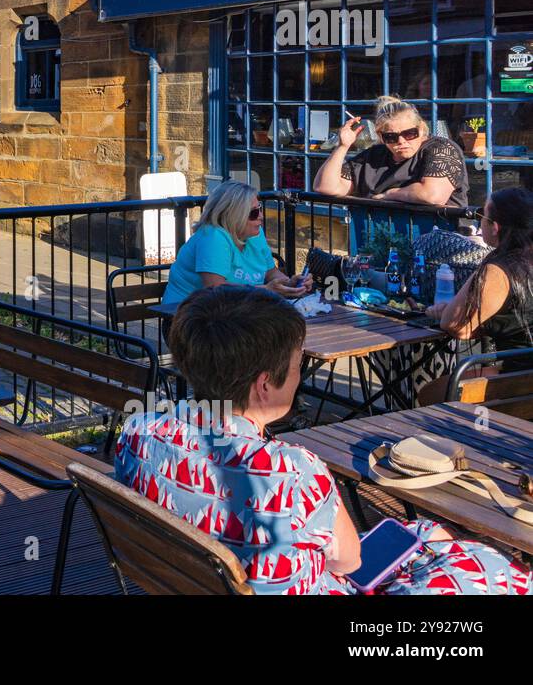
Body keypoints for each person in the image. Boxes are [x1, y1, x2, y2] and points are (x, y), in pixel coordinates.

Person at [115, 286, 530, 595]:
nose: (297, 376)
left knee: (429, 535)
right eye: (297, 365)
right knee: (487, 565)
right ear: (264, 385)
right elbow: (350, 560)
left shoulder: (139, 434)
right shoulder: (294, 472)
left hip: (192, 579)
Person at [429, 187, 533, 373]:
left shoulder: (499, 269)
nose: (479, 223)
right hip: (522, 378)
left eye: (482, 216)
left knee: (429, 393)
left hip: (517, 378)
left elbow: (454, 325)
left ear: (495, 227)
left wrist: (486, 264)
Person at [161, 180, 311, 306]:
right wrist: (267, 289)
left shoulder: (254, 234)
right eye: (253, 213)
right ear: (233, 215)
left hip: (232, 314)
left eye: (259, 209)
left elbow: (270, 272)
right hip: (188, 320)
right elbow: (215, 288)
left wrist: (289, 284)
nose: (261, 216)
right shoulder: (213, 237)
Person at [313, 94, 468, 208]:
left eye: (409, 133)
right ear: (381, 136)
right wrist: (342, 147)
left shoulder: (441, 148)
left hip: (439, 243)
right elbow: (325, 187)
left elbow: (432, 195)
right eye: (391, 137)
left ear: (421, 129)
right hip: (378, 243)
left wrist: (389, 194)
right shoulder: (374, 156)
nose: (402, 141)